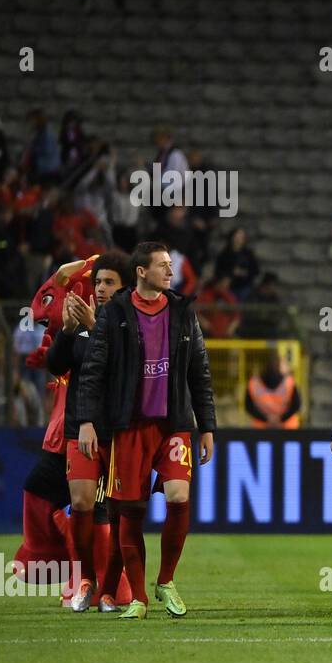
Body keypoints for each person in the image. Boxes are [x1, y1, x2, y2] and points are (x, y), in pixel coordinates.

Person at [76, 242, 217, 620]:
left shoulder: (182, 311)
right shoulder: (115, 313)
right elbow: (93, 370)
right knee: (131, 510)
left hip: (173, 424)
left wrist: (207, 426)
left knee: (178, 496)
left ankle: (165, 580)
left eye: (171, 264)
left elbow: (199, 371)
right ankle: (138, 597)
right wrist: (86, 421)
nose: (170, 271)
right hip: (129, 425)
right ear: (141, 272)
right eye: (163, 265)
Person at [44, 251, 129, 612]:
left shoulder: (130, 324)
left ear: (125, 288)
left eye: (109, 282)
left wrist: (95, 328)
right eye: (98, 282)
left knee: (117, 511)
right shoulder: (81, 323)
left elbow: (123, 368)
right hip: (81, 427)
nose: (101, 288)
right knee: (80, 503)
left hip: (119, 430)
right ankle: (85, 580)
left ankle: (110, 590)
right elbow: (55, 365)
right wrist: (66, 332)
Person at [245, 355, 301, 430]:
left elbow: (249, 406)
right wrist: (280, 419)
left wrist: (266, 419)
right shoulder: (289, 382)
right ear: (279, 367)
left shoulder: (254, 383)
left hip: (261, 429)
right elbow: (296, 405)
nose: (287, 367)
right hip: (287, 428)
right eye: (284, 364)